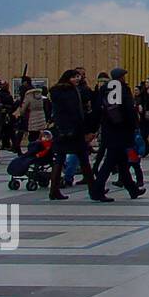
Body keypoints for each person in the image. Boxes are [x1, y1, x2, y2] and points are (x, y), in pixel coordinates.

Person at [92, 68, 144, 200]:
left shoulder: (104, 89)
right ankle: (96, 191)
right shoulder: (123, 89)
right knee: (110, 162)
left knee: (122, 163)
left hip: (109, 129)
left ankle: (132, 189)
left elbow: (98, 108)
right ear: (121, 77)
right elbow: (128, 110)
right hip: (123, 131)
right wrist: (134, 125)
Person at [48, 69, 99, 201]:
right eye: (74, 77)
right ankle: (94, 191)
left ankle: (54, 190)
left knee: (59, 160)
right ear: (67, 78)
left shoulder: (56, 91)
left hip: (60, 130)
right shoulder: (71, 92)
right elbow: (75, 112)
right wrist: (84, 129)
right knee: (84, 160)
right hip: (74, 131)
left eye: (78, 77)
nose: (77, 79)